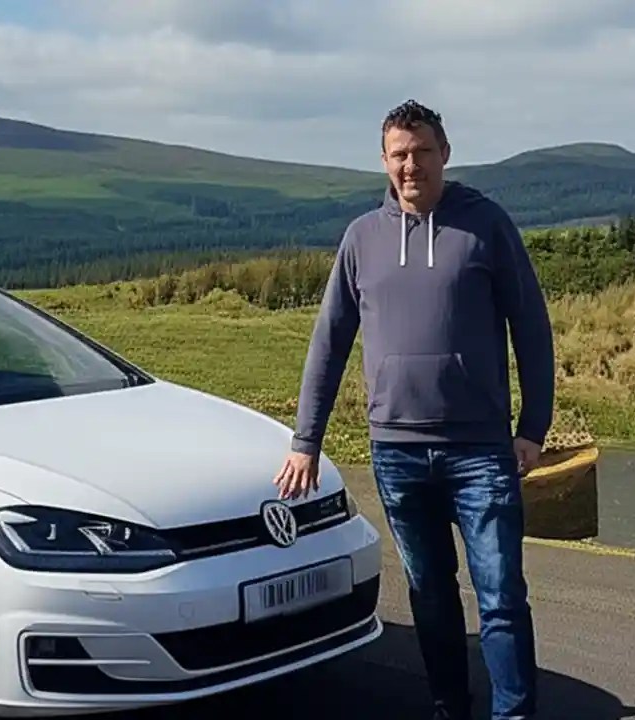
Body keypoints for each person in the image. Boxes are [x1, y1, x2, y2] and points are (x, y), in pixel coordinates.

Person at [272, 99, 554, 720]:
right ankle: (449, 705)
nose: (411, 165)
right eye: (399, 154)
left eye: (423, 151)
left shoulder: (487, 225)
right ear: (383, 161)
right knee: (429, 593)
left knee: (501, 594)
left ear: (445, 154)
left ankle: (514, 713)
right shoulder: (361, 239)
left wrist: (533, 427)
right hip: (395, 452)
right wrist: (305, 441)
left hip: (480, 450)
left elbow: (532, 328)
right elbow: (329, 343)